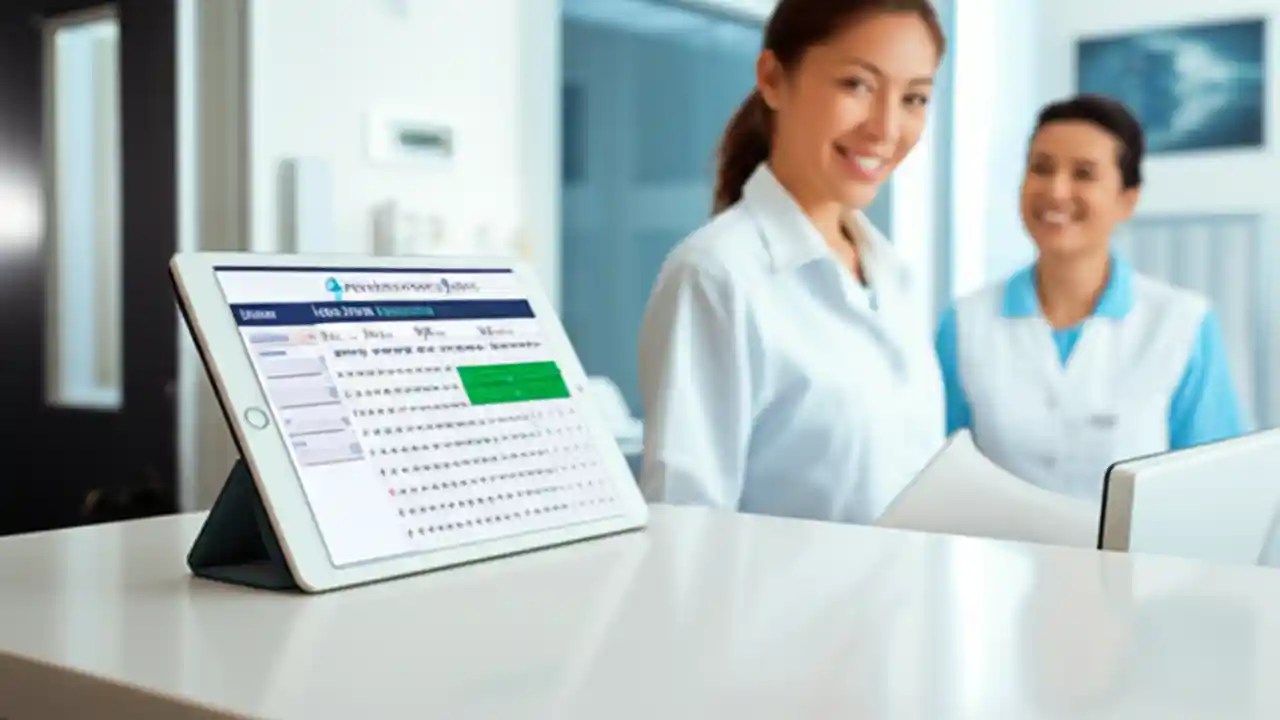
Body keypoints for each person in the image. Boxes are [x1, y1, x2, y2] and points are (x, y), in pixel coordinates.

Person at [637, 0, 947, 524]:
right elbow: (684, 526)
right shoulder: (717, 274)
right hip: (780, 609)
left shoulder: (893, 277)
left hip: (900, 604)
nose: (886, 128)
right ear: (774, 78)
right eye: (857, 85)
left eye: (914, 97)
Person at [935, 94, 1246, 502]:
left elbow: (1219, 489)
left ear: (1126, 199)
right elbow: (937, 478)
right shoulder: (965, 323)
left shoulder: (1182, 324)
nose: (1056, 191)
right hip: (999, 565)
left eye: (1084, 173)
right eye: (1040, 168)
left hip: (1140, 566)